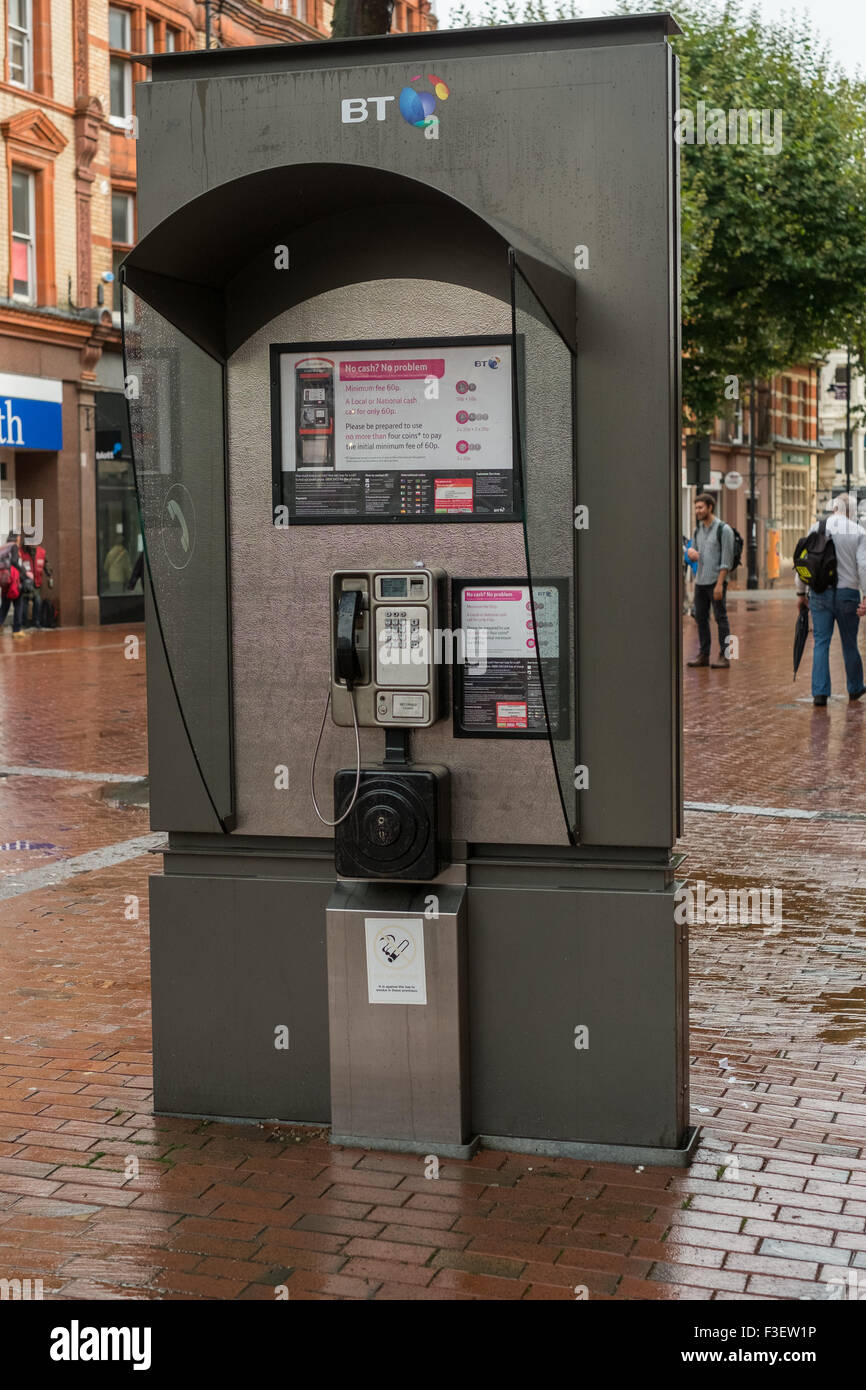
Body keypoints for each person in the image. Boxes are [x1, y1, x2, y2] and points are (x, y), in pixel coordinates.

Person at [796, 493, 866, 707]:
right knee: (849, 643)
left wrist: (800, 593)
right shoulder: (858, 532)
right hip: (848, 594)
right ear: (852, 511)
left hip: (819, 593)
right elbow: (863, 567)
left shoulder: (816, 528)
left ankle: (819, 693)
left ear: (834, 508)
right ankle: (854, 688)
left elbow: (803, 562)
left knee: (821, 642)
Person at [686, 493, 734, 669]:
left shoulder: (724, 530)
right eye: (696, 507)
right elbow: (695, 552)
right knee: (701, 617)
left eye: (700, 507)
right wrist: (692, 554)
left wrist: (720, 584)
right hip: (700, 581)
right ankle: (704, 654)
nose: (697, 511)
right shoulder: (697, 530)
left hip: (716, 581)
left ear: (710, 507)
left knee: (721, 618)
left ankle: (725, 656)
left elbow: (726, 560)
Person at [0, 535, 26, 639]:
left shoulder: (3, 547)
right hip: (13, 580)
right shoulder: (14, 546)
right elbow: (14, 561)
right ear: (16, 538)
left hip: (4, 580)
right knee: (19, 603)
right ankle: (17, 630)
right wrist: (23, 572)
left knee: (5, 605)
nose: (20, 539)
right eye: (19, 537)